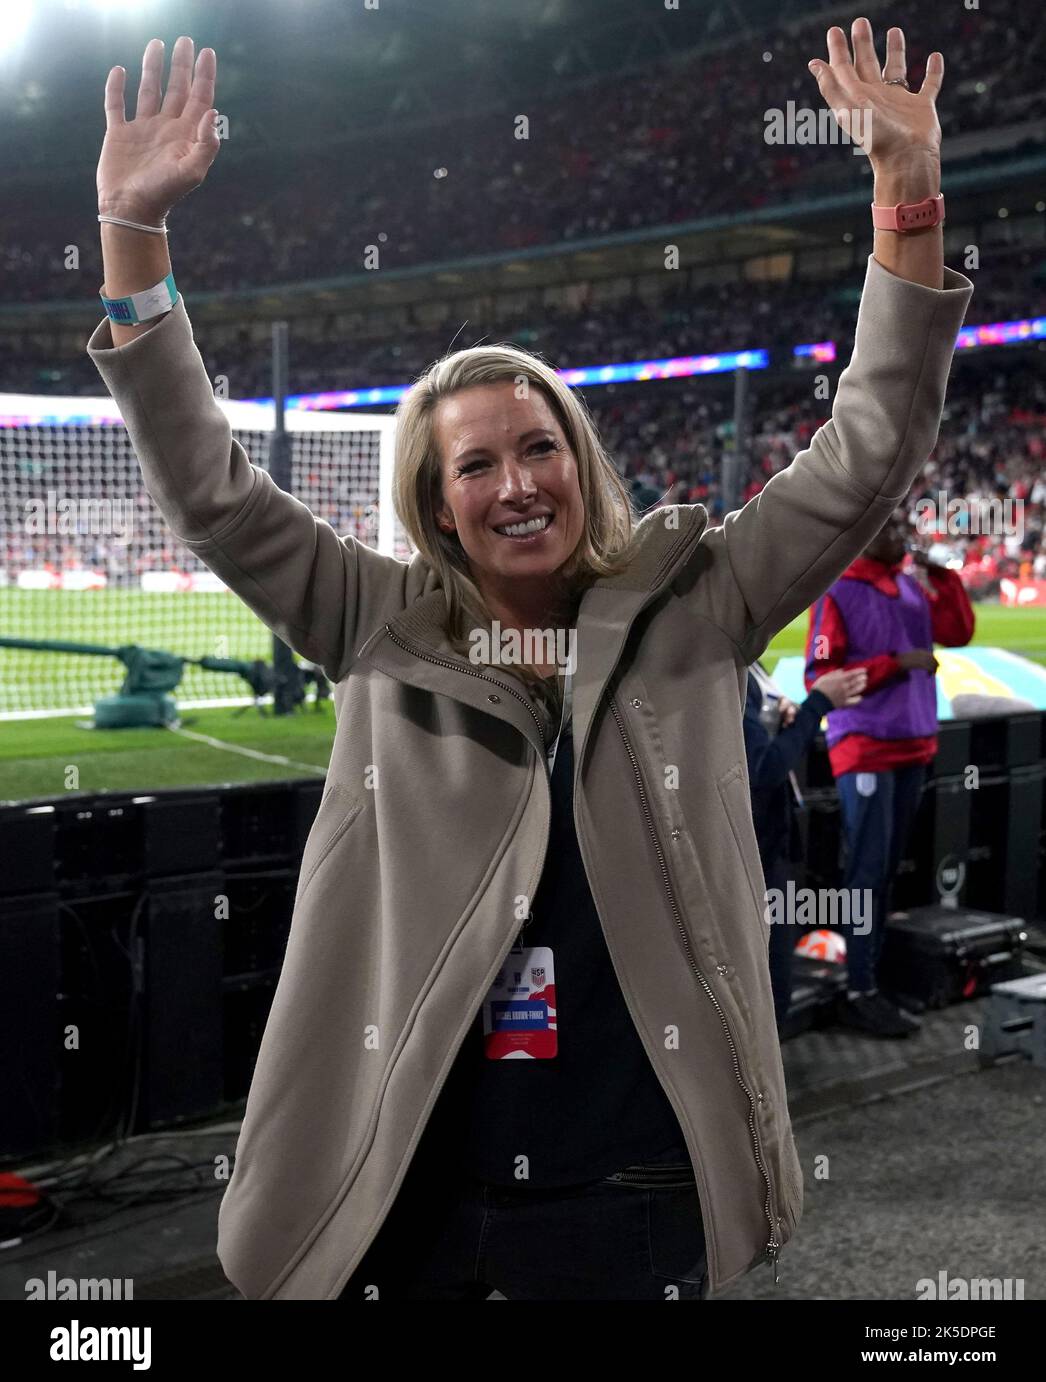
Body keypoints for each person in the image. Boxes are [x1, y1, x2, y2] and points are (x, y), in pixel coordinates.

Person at [87, 26, 973, 1300]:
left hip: (640, 1191)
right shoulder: (368, 621)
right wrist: (132, 238)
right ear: (437, 503)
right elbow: (214, 495)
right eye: (476, 463)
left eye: (540, 445)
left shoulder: (700, 600)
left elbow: (870, 443)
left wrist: (905, 201)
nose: (516, 482)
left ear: (581, 461)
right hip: (419, 1198)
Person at [803, 510, 975, 1037]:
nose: (900, 533)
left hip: (913, 745)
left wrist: (943, 577)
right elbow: (821, 675)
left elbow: (958, 632)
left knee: (883, 872)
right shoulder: (837, 589)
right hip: (866, 747)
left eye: (903, 524)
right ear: (862, 531)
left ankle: (873, 980)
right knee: (866, 872)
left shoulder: (908, 584)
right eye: (887, 524)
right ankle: (859, 990)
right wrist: (895, 665)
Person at [743, 660, 867, 1030]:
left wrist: (789, 717)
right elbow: (762, 769)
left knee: (771, 977)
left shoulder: (745, 664)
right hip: (756, 853)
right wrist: (818, 704)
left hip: (765, 845)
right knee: (770, 981)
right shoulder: (729, 665)